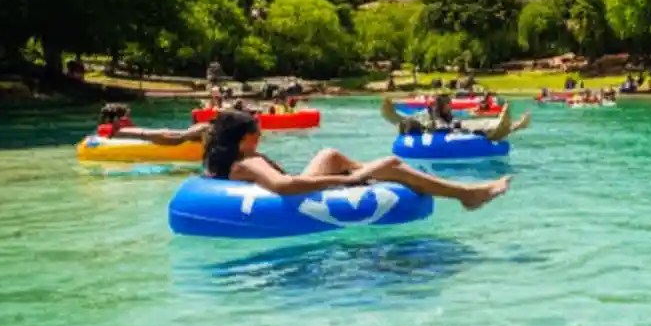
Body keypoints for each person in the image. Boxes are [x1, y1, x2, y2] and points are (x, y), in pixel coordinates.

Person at [203, 110, 509, 209]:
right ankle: (466, 194)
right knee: (391, 163)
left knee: (330, 155)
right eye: (257, 134)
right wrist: (347, 181)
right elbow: (284, 186)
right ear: (243, 139)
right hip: (305, 197)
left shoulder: (235, 158)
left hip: (308, 186)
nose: (261, 137)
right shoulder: (248, 162)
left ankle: (377, 174)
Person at [379, 94, 530, 143]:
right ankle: (505, 128)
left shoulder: (449, 116)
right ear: (441, 106)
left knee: (478, 125)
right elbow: (437, 126)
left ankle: (514, 125)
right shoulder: (431, 116)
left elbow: (453, 123)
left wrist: (457, 126)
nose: (450, 107)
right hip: (434, 132)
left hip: (452, 129)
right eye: (448, 105)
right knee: (410, 122)